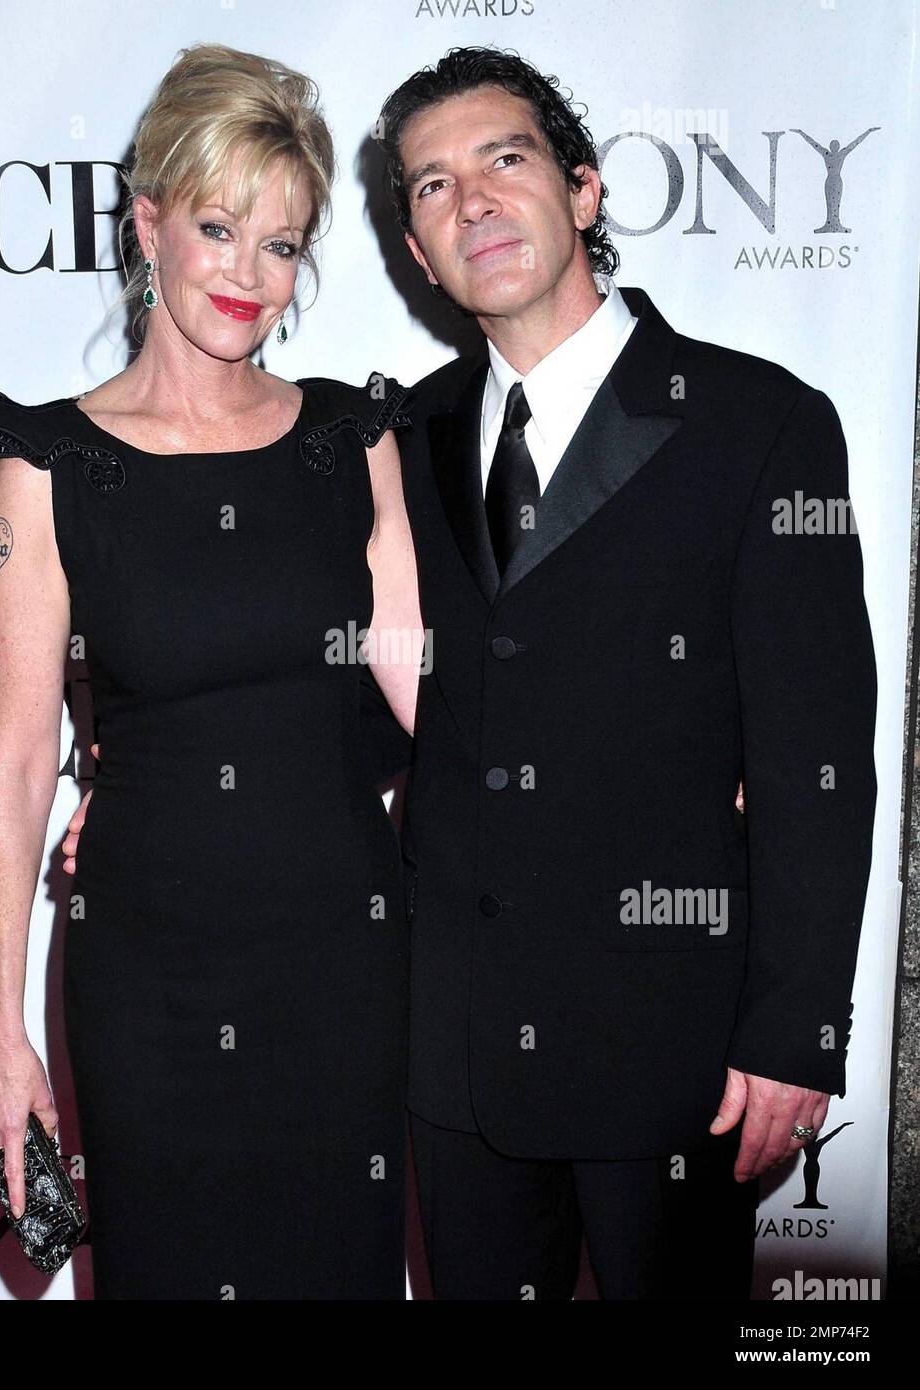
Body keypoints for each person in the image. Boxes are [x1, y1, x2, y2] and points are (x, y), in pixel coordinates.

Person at [368, 46, 878, 1299]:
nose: (471, 200)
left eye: (504, 159)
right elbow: (355, 685)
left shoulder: (758, 422)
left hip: (676, 1053)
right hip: (458, 1055)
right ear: (418, 254)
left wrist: (797, 1027)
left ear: (584, 190)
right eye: (430, 188)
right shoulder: (400, 439)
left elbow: (816, 759)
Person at [0, 41, 423, 1299]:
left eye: (281, 244)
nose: (247, 275)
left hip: (341, 954)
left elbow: (431, 694)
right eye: (218, 227)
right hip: (149, 970)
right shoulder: (43, 469)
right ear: (147, 221)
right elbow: (7, 767)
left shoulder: (348, 440)